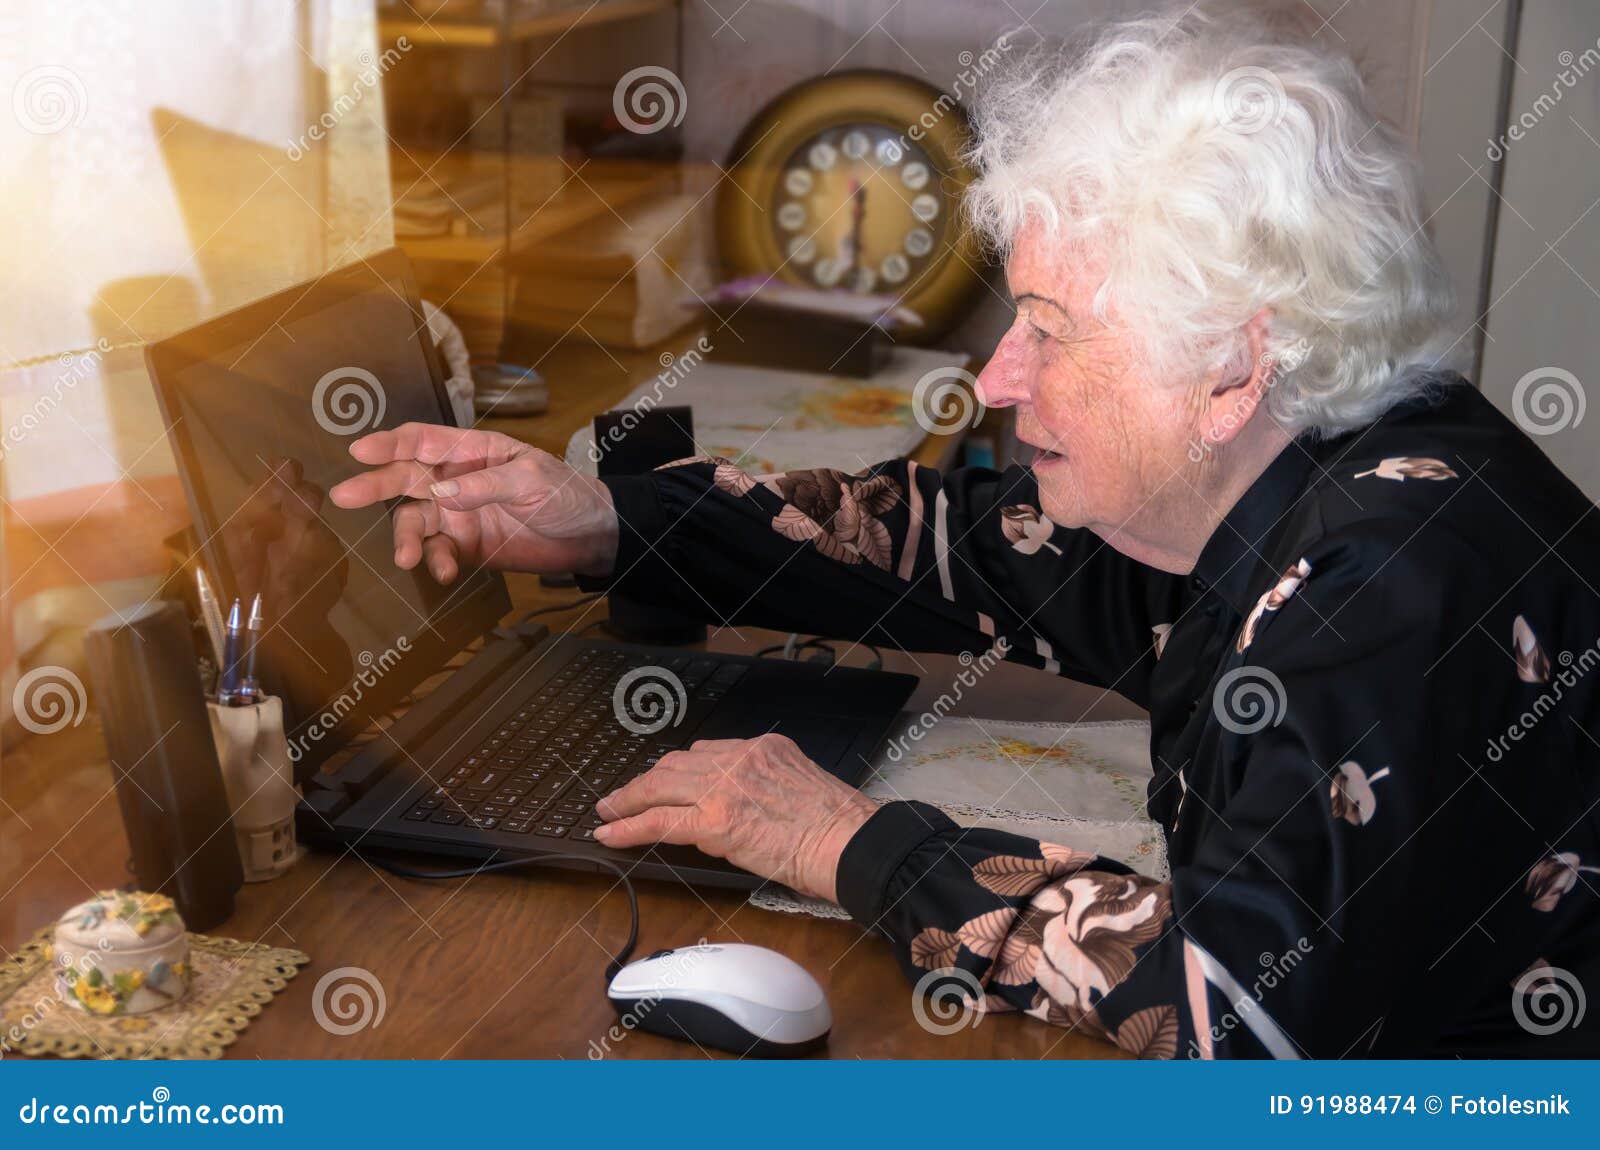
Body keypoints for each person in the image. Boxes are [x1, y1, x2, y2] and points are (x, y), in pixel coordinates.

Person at [330, 9, 1600, 1057]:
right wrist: (608, 522)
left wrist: (841, 839)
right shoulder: (1309, 450)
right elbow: (960, 547)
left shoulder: (1374, 587)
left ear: (1229, 365)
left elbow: (1233, 1016)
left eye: (1049, 327)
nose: (998, 378)